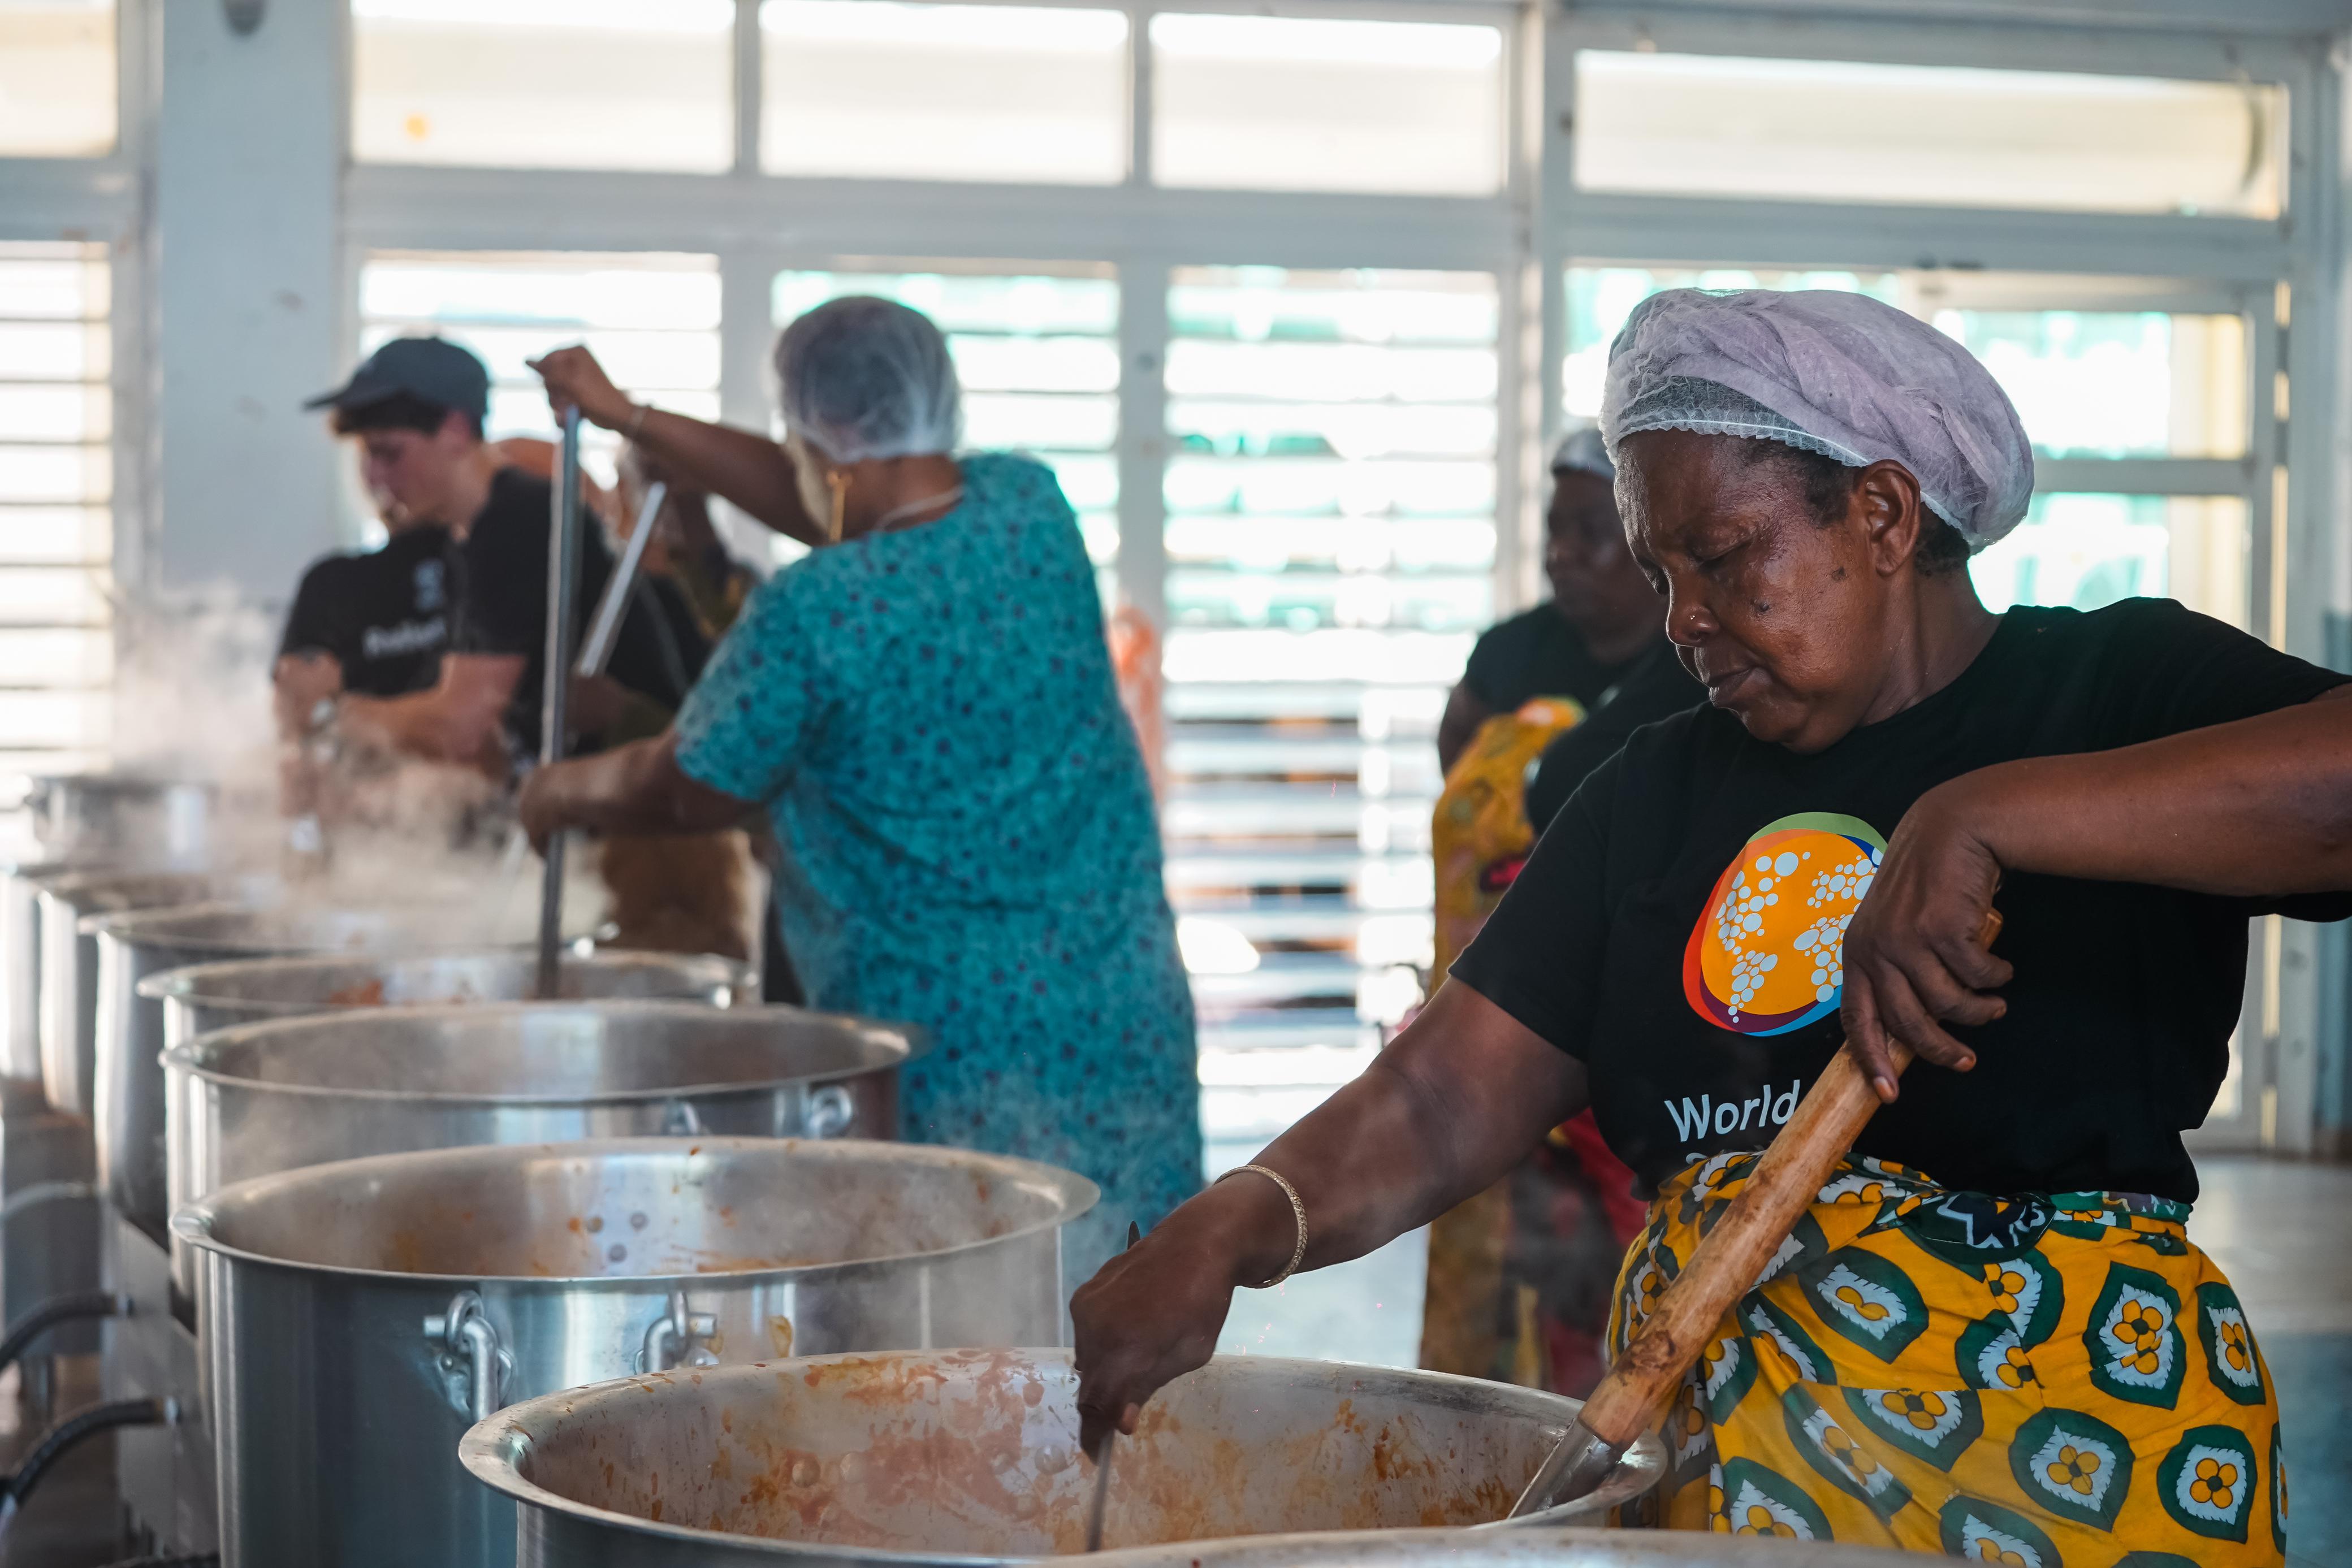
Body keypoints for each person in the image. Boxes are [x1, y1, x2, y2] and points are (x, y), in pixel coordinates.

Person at [1074, 288, 2352, 1565]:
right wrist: (1232, 1223)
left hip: (2079, 1463)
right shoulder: (1652, 791)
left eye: (1726, 555)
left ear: (1884, 513)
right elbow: (1441, 1095)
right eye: (1660, 573)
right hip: (1730, 1472)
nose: (1683, 620)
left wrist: (1983, 815)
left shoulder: (2109, 687)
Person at [520, 297, 1201, 1268]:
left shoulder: (813, 615)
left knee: (968, 1356)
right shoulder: (1030, 509)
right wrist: (630, 415)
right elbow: (838, 496)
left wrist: (561, 788)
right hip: (1115, 1019)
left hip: (952, 1057)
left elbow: (689, 785)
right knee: (1126, 1334)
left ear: (816, 441)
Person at [302, 336, 699, 776]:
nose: (374, 476)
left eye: (389, 453)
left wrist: (333, 709)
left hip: (651, 810)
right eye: (366, 455)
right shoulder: (462, 538)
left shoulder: (519, 521)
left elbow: (459, 728)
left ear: (454, 431)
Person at [1436, 428, 1681, 774]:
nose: (1559, 554)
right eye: (1555, 529)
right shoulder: (1508, 651)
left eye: (1592, 532)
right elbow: (1457, 736)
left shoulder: (1701, 667)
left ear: (1653, 539)